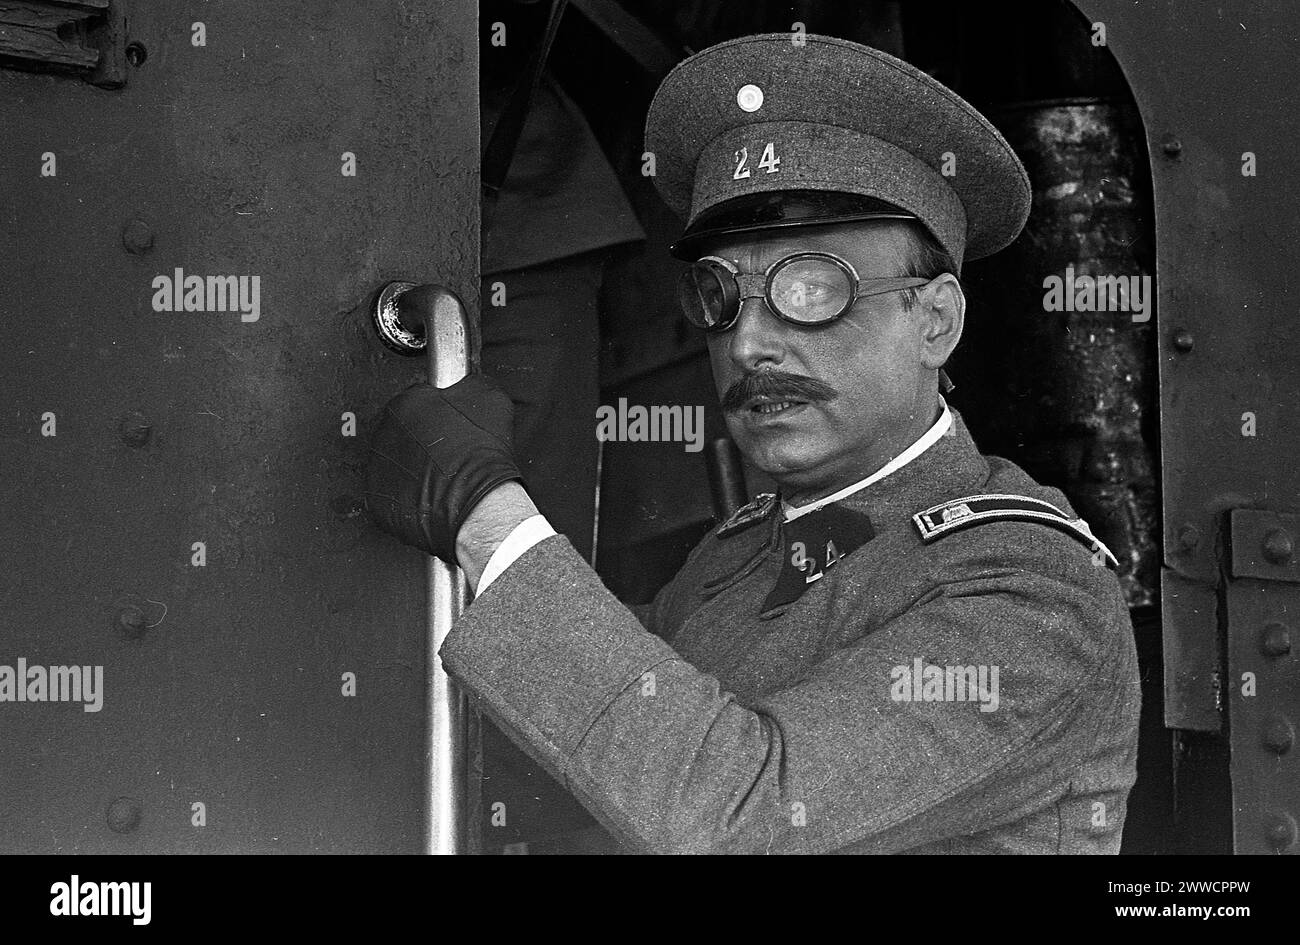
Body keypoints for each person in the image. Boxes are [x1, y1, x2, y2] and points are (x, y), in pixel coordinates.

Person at [365, 33, 1142, 854]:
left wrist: (489, 516)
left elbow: (744, 815)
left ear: (936, 319)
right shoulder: (737, 561)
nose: (751, 344)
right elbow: (600, 749)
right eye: (720, 295)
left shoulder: (1034, 591)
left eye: (810, 287)